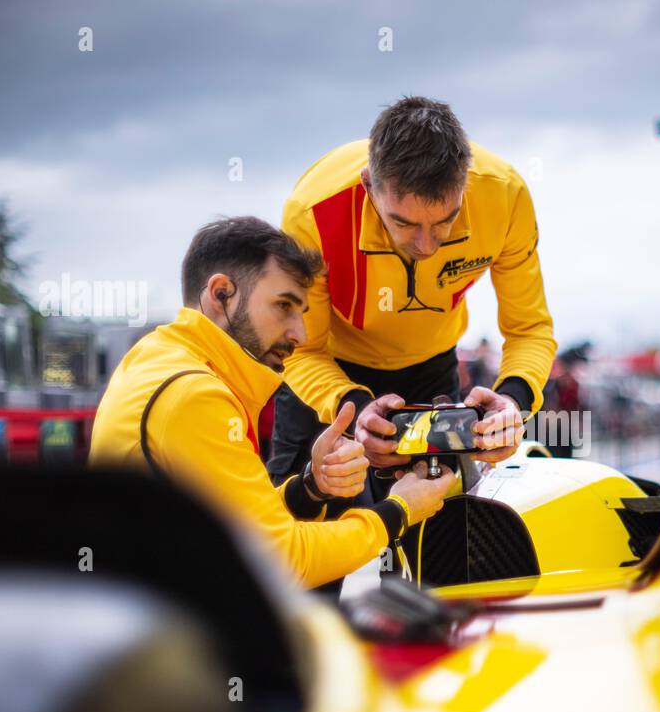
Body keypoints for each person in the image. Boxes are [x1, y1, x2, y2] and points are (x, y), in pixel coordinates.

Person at [90, 216, 453, 590]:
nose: (300, 333)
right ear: (221, 294)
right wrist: (400, 509)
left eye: (301, 313)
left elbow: (236, 528)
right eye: (284, 306)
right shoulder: (194, 394)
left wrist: (311, 488)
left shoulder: (159, 359)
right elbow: (281, 561)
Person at [267, 96, 557, 494]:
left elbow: (529, 329)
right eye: (402, 223)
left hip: (429, 366)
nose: (425, 246)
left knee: (438, 530)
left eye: (445, 221)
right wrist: (353, 410)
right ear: (369, 185)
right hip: (329, 370)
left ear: (466, 184)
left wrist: (513, 401)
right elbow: (299, 348)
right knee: (307, 528)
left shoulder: (505, 197)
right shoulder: (311, 212)